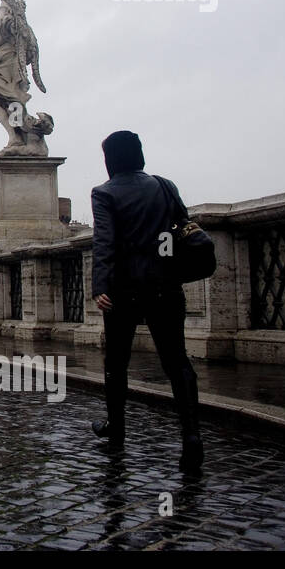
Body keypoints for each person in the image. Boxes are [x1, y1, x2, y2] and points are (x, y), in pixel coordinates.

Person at [91, 130, 203, 474]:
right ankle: (192, 436)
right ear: (138, 155)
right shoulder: (165, 185)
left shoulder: (104, 193)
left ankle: (117, 431)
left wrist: (100, 284)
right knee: (177, 361)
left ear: (110, 159)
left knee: (117, 362)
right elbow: (183, 225)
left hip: (124, 289)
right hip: (165, 284)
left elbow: (105, 241)